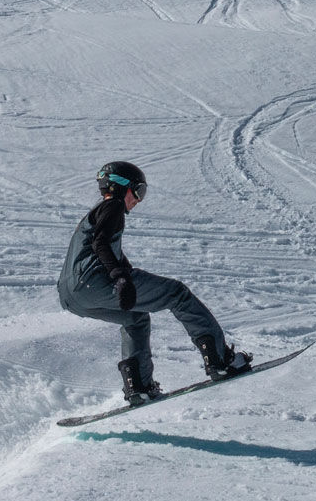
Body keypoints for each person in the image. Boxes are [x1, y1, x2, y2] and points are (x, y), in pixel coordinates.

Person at [58, 161, 252, 405]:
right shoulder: (113, 206)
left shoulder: (96, 214)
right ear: (122, 188)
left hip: (71, 296)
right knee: (177, 294)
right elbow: (102, 244)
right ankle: (220, 360)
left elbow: (104, 249)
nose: (138, 200)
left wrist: (122, 271)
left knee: (136, 318)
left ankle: (138, 386)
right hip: (94, 282)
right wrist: (120, 277)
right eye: (139, 192)